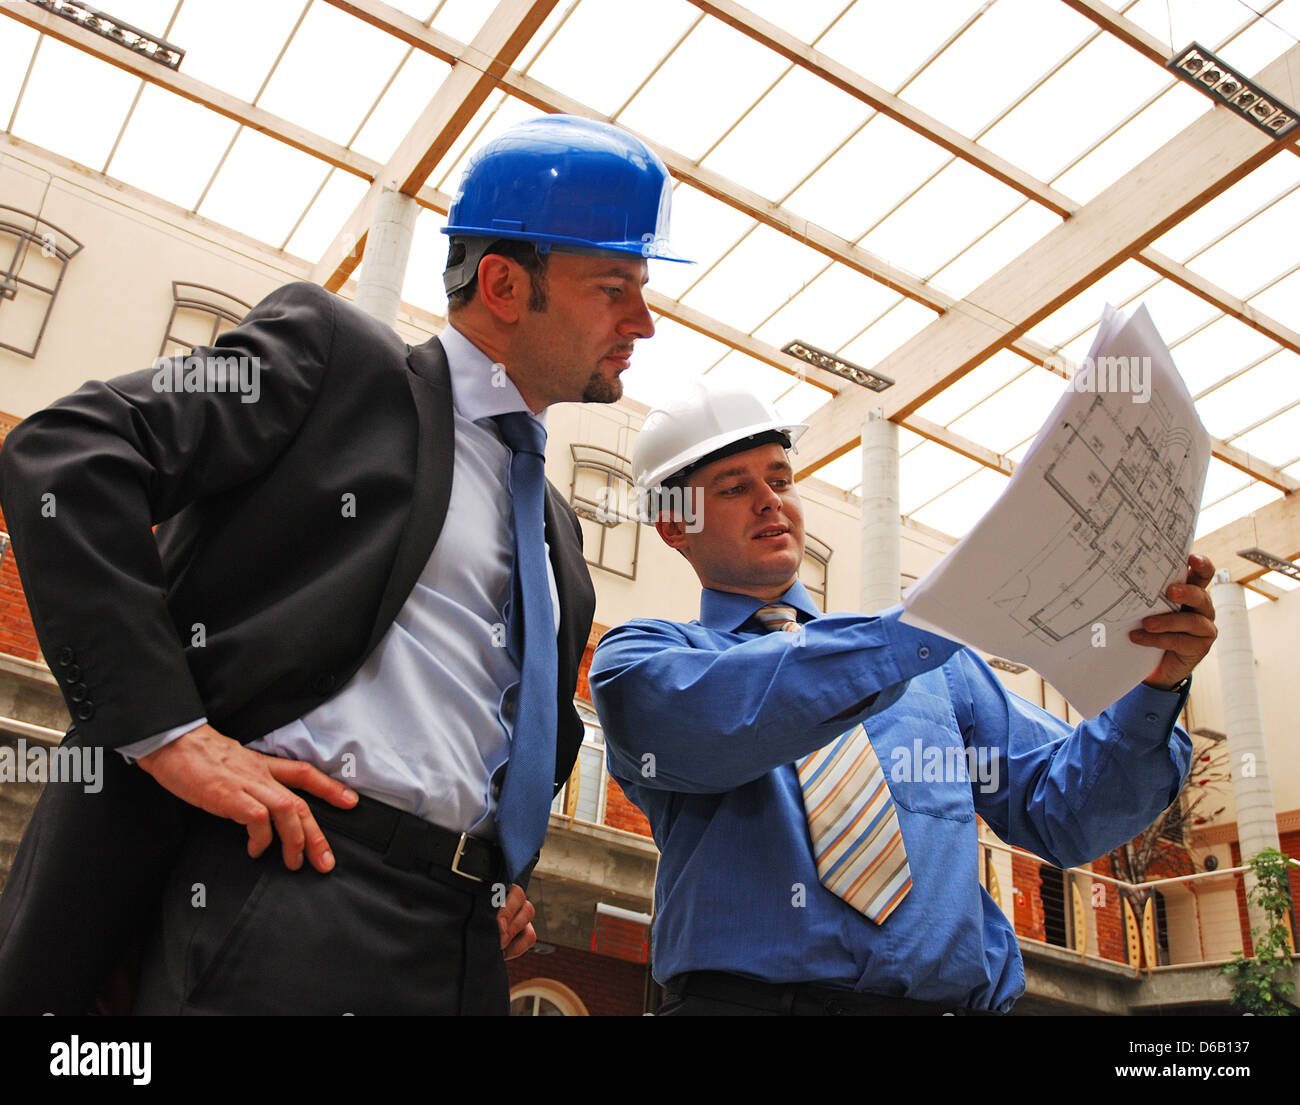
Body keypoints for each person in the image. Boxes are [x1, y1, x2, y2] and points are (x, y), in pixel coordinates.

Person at [0, 114, 685, 1015]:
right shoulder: (335, 360)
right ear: (507, 284)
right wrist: (170, 733)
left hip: (461, 941)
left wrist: (494, 864)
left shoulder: (556, 530)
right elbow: (71, 452)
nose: (643, 321)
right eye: (614, 286)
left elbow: (516, 725)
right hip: (296, 885)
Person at [589, 383, 1217, 1015]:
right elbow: (740, 709)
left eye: (781, 479)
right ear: (674, 526)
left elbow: (1067, 813)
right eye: (734, 488)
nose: (770, 502)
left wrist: (1154, 686)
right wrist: (933, 620)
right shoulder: (642, 661)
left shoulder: (941, 672)